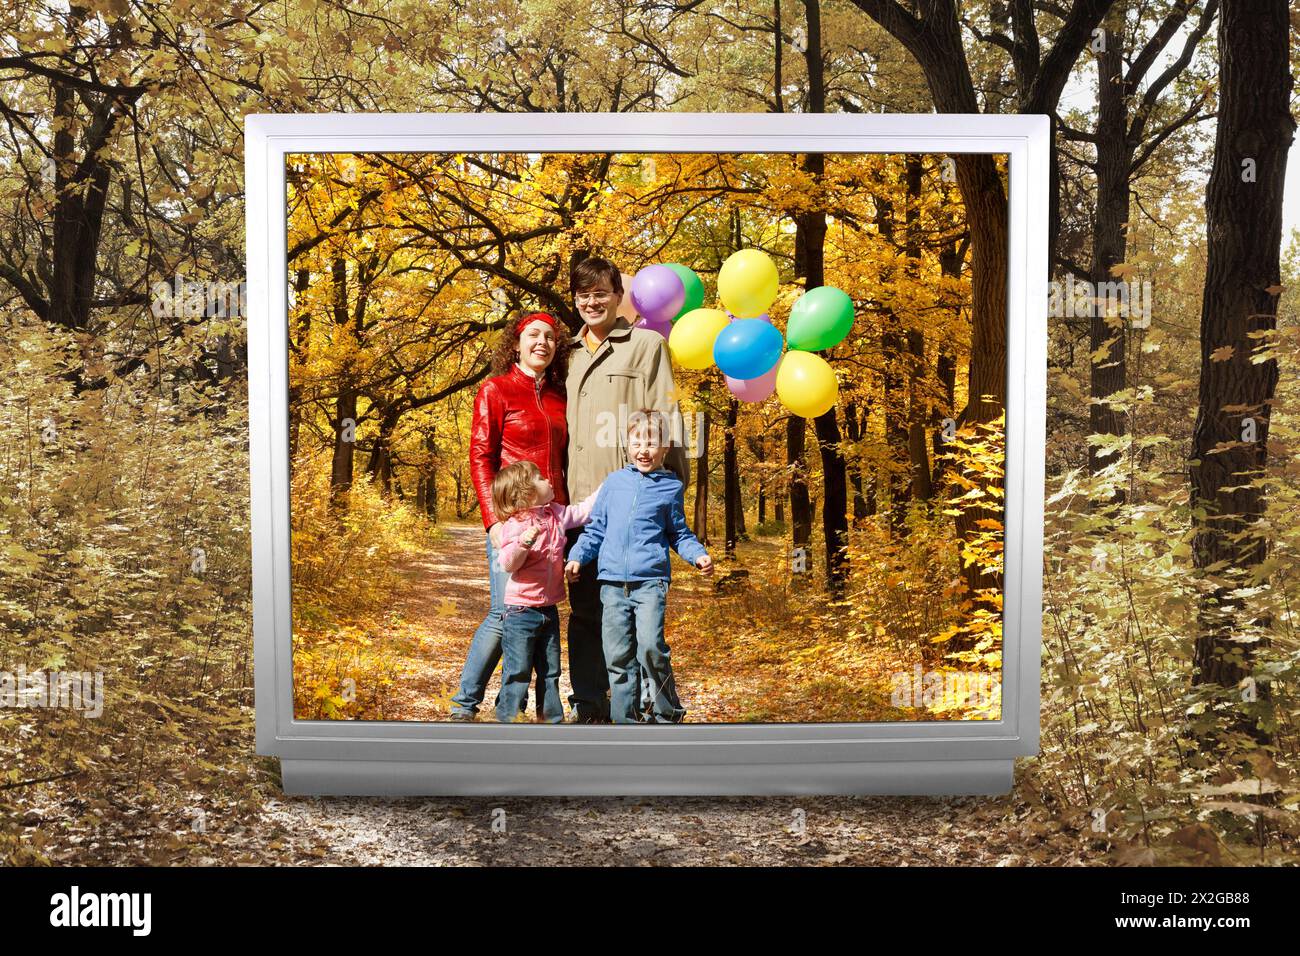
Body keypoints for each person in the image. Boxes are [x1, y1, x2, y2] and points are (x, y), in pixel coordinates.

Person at [564, 257, 689, 723]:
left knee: (638, 619)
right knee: (585, 614)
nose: (592, 302)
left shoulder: (646, 345)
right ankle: (592, 705)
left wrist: (671, 493)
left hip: (631, 507)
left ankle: (651, 707)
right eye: (583, 294)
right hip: (579, 508)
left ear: (619, 295)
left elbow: (668, 416)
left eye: (601, 293)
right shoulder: (567, 352)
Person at [450, 312, 571, 721]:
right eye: (534, 334)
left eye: (551, 337)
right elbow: (481, 457)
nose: (543, 342)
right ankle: (464, 707)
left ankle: (533, 710)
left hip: (551, 523)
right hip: (513, 524)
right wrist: (494, 521)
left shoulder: (560, 394)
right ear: (516, 343)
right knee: (505, 613)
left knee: (543, 613)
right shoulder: (496, 390)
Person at [566, 409, 712, 723]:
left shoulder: (670, 487)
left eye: (651, 442)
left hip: (651, 582)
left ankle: (667, 712)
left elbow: (678, 533)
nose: (643, 449)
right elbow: (596, 529)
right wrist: (578, 556)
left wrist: (697, 554)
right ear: (627, 445)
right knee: (617, 655)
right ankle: (625, 720)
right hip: (612, 583)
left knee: (650, 647)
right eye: (637, 442)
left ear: (665, 448)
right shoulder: (614, 483)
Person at [491, 461, 601, 723]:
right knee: (518, 670)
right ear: (525, 493)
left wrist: (607, 487)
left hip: (548, 610)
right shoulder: (515, 524)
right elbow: (507, 563)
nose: (549, 480)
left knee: (551, 670)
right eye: (540, 478)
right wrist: (522, 544)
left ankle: (550, 720)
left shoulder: (555, 514)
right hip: (520, 611)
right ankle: (509, 719)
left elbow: (583, 512)